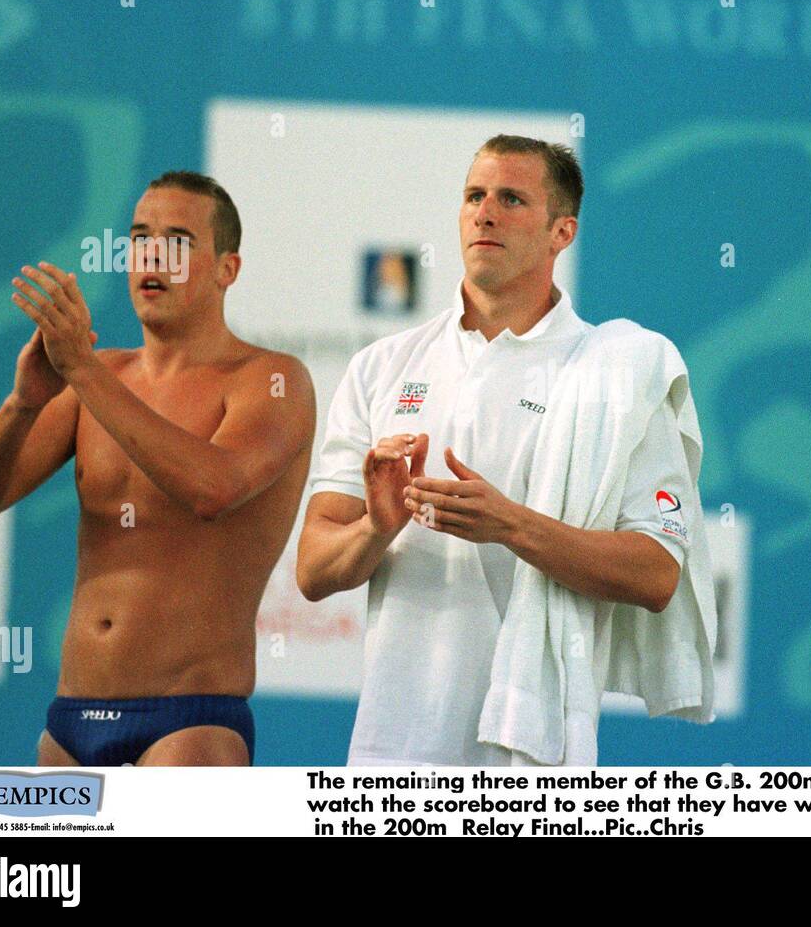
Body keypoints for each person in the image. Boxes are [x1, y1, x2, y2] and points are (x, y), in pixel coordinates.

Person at [297, 135, 714, 766]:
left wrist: (511, 526)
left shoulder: (617, 373)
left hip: (533, 756)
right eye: (474, 196)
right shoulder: (381, 367)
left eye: (511, 198)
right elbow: (312, 571)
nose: (484, 213)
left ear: (561, 231)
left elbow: (657, 574)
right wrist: (376, 529)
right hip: (392, 753)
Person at [0, 171, 316, 766]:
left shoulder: (271, 381)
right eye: (141, 238)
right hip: (70, 720)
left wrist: (81, 372)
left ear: (228, 268)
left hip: (189, 721)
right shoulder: (101, 376)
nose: (154, 256)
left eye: (178, 241)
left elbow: (213, 488)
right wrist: (22, 404)